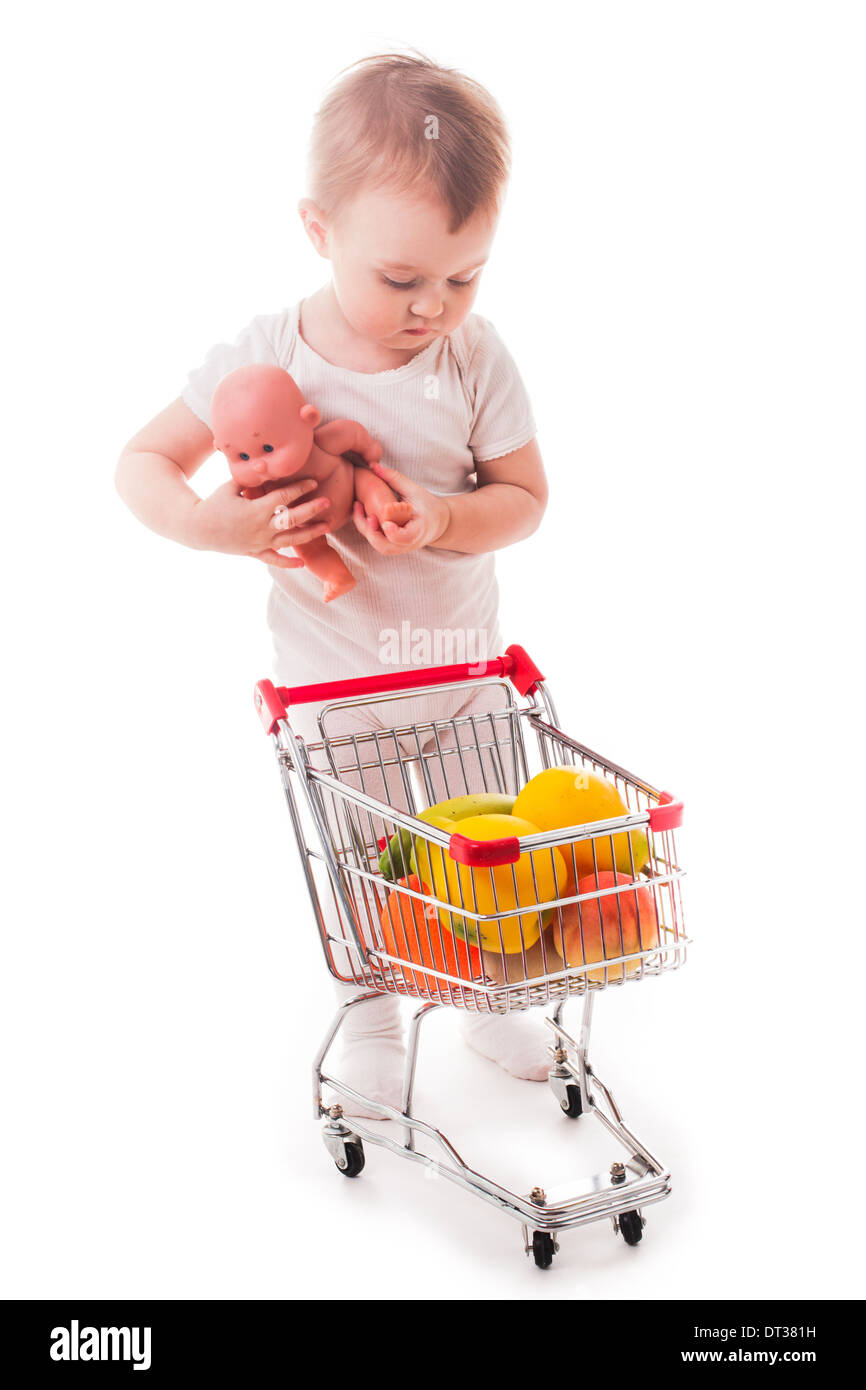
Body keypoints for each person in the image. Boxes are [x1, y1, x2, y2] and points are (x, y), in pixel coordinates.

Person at [115, 51, 552, 1118]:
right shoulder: (268, 357)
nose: (431, 307)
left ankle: (486, 987)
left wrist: (444, 517)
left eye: (463, 276)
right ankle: (368, 1016)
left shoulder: (472, 358)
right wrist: (214, 524)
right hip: (333, 688)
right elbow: (140, 464)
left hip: (455, 679)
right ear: (318, 232)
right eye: (400, 280)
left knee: (477, 841)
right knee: (355, 860)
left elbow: (525, 498)